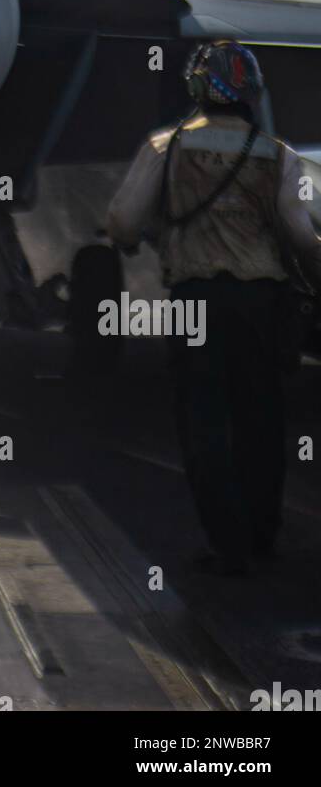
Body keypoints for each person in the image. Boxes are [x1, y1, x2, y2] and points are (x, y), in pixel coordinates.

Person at [108, 39, 321, 577]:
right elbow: (302, 234)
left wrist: (136, 243)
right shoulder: (280, 154)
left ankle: (226, 544)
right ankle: (261, 535)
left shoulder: (166, 147)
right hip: (260, 303)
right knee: (262, 420)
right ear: (250, 89)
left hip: (193, 302)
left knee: (204, 420)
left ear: (198, 88)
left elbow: (123, 221)